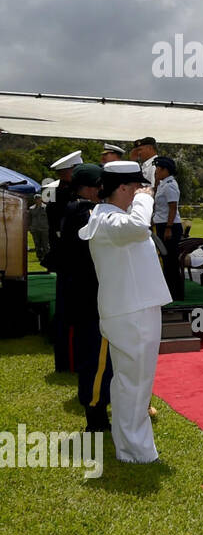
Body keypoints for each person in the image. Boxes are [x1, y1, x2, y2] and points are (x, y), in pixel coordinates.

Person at [79, 160, 171, 463]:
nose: (139, 194)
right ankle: (135, 451)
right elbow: (137, 226)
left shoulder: (111, 217)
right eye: (136, 188)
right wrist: (146, 198)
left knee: (132, 382)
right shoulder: (109, 219)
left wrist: (142, 198)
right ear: (123, 188)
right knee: (134, 383)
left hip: (134, 308)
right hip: (131, 311)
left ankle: (133, 446)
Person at [52, 163, 112, 431]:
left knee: (95, 357)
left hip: (85, 295)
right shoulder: (82, 211)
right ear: (92, 188)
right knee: (97, 360)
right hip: (90, 298)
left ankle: (94, 407)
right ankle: (95, 417)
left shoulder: (74, 207)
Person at [47, 149, 82, 373]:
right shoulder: (68, 198)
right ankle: (71, 360)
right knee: (72, 313)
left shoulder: (57, 194)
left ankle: (66, 360)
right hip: (72, 261)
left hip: (64, 260)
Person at [151, 156, 183, 301]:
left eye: (158, 169)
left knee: (171, 261)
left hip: (169, 225)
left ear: (165, 170)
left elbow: (172, 208)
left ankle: (176, 293)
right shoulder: (163, 184)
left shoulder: (170, 185)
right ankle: (170, 291)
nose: (156, 171)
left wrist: (169, 228)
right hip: (163, 224)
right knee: (166, 259)